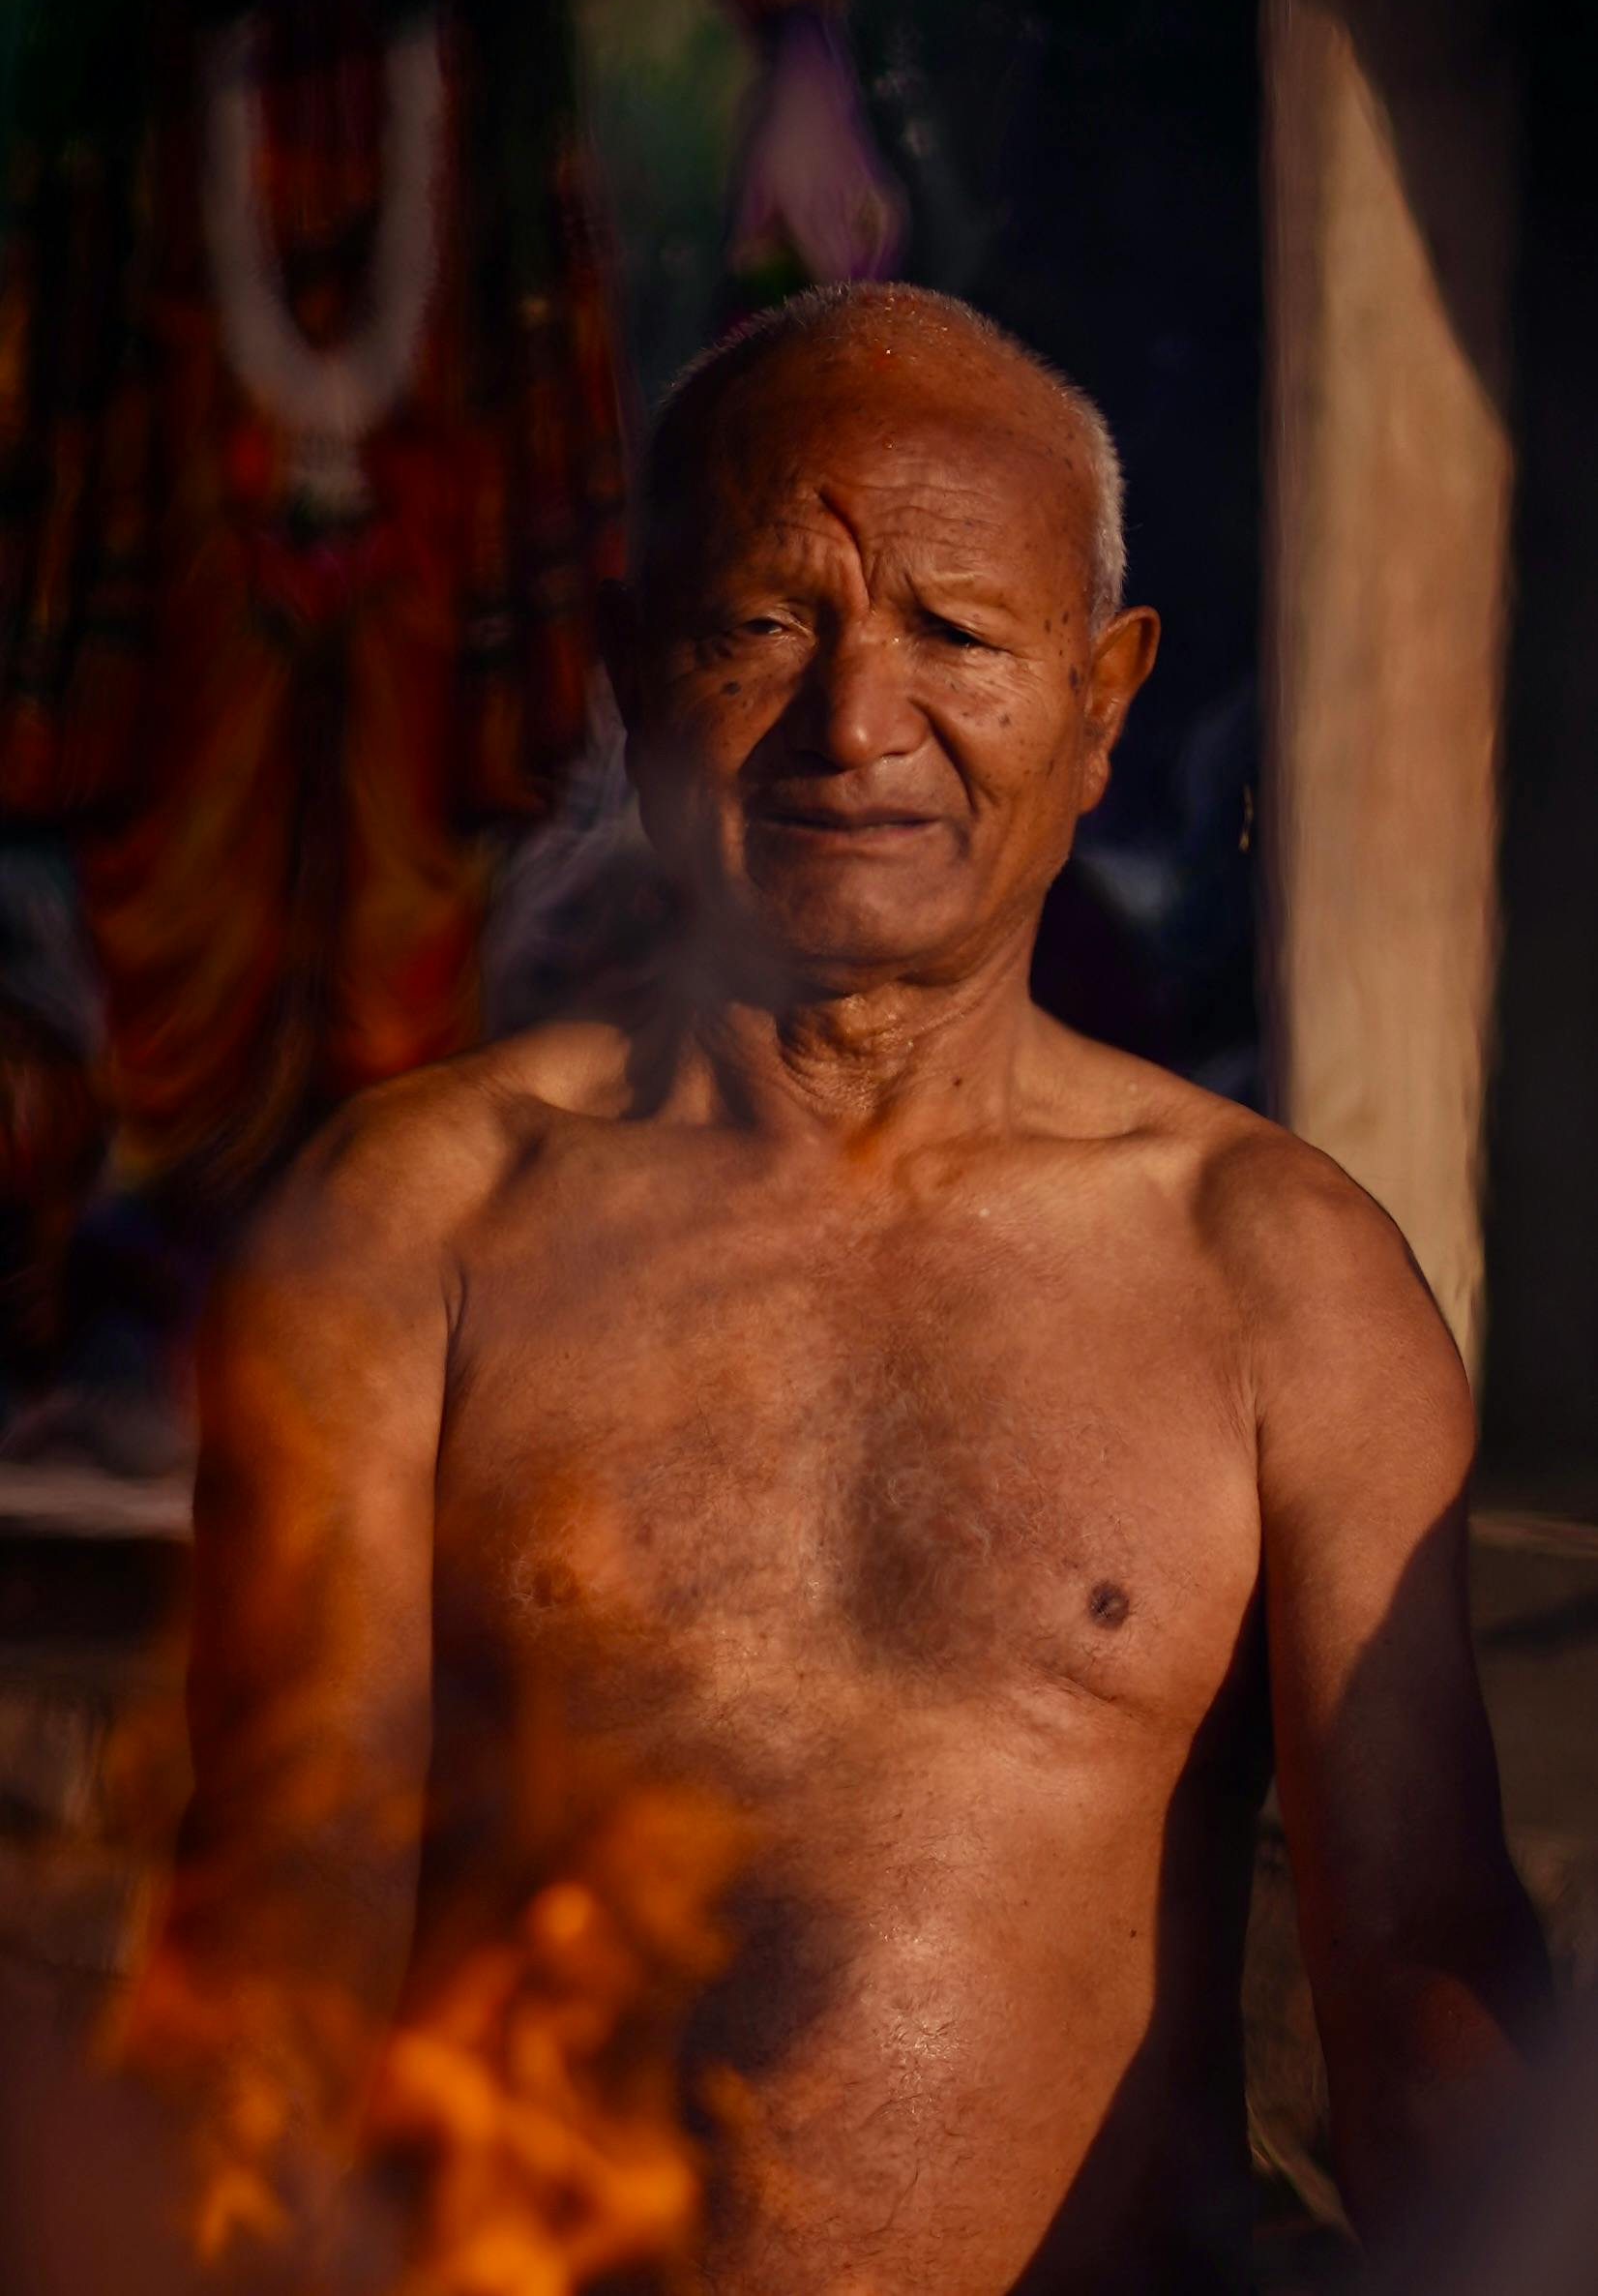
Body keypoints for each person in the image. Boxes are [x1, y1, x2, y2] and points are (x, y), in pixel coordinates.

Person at [144, 283, 1545, 2293]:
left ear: (1102, 696)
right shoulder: (410, 1229)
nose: (857, 725)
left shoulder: (1274, 1277)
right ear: (633, 683)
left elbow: (1423, 1978)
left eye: (958, 634)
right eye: (761, 628)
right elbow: (283, 1925)